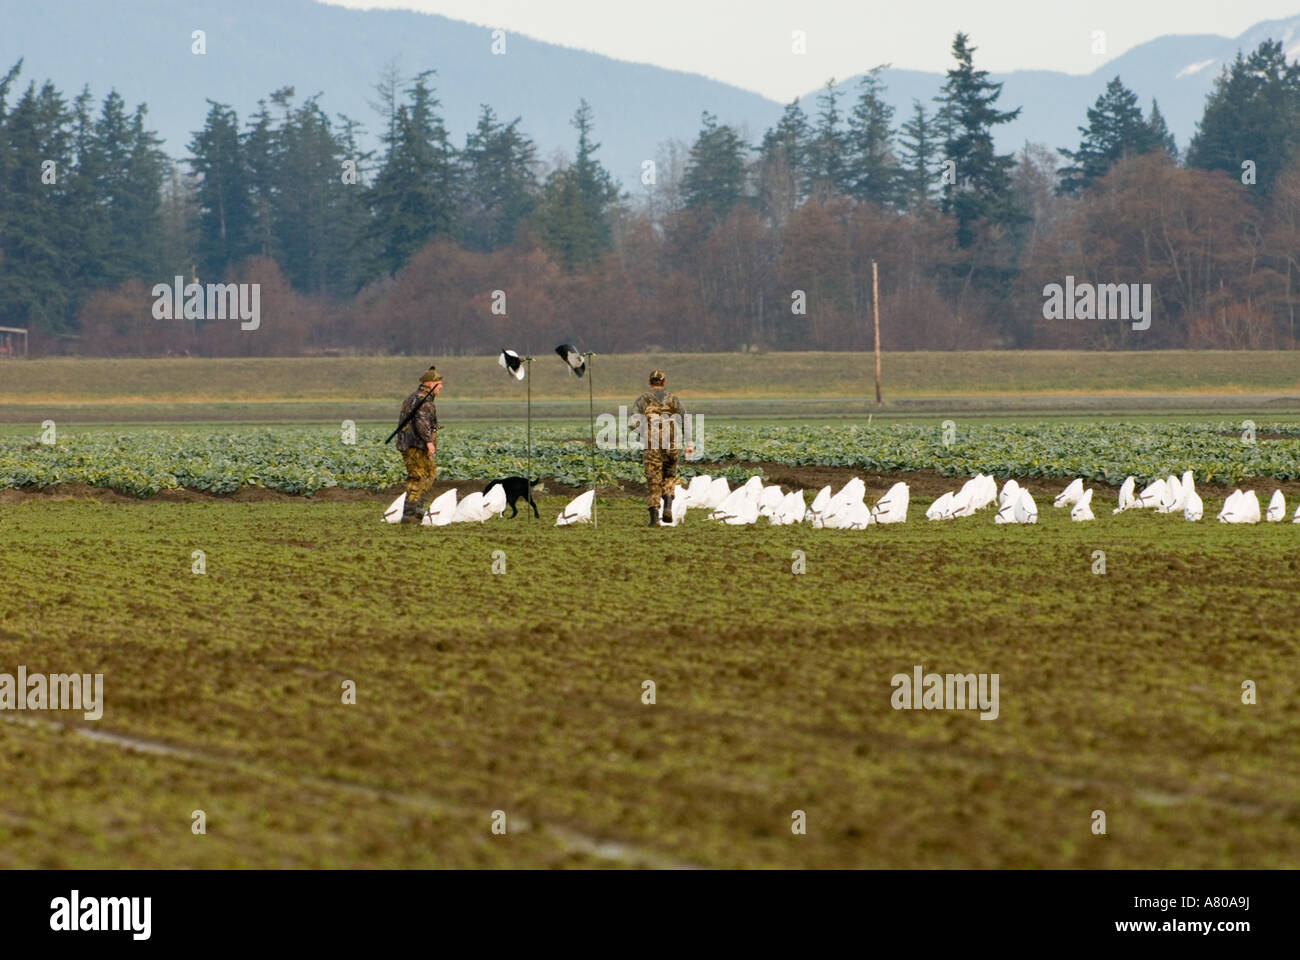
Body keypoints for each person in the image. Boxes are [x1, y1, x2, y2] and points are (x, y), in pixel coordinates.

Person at [631, 369, 694, 526]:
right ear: (664, 383)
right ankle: (667, 504)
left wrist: (642, 433)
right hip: (671, 446)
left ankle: (654, 519)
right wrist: (689, 443)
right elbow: (685, 420)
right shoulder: (673, 399)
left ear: (649, 382)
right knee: (669, 476)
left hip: (652, 447)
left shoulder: (642, 400)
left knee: (654, 480)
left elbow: (633, 423)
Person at [395, 366, 443, 524]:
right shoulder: (425, 401)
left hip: (410, 444)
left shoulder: (412, 397)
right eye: (439, 383)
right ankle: (410, 516)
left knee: (429, 473)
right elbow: (422, 423)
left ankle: (418, 510)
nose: (441, 387)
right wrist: (429, 442)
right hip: (415, 445)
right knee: (417, 478)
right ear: (430, 384)